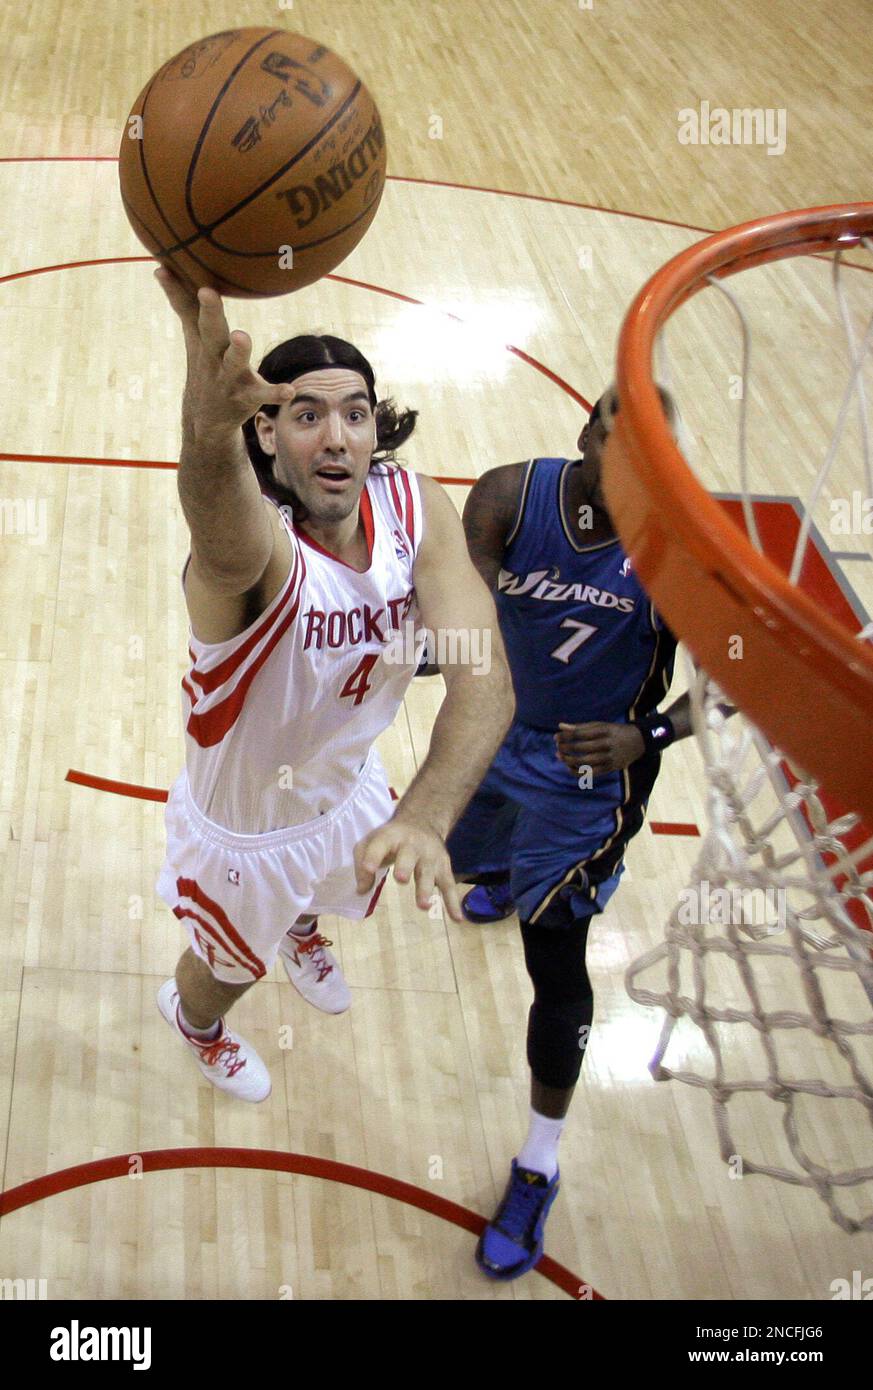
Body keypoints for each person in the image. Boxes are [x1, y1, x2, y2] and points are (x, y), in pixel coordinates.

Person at [152, 267, 514, 1102]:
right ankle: (194, 1020)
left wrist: (423, 815)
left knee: (325, 888)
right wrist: (209, 428)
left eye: (354, 413)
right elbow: (218, 523)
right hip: (247, 828)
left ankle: (301, 928)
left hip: (348, 790)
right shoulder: (258, 557)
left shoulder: (413, 507)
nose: (337, 436)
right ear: (267, 435)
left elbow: (483, 677)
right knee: (222, 970)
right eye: (305, 415)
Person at [437, 386, 696, 1278]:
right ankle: (509, 875)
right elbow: (454, 618)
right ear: (585, 432)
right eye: (614, 436)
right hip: (489, 738)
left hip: (589, 779)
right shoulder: (510, 495)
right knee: (444, 860)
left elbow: (743, 674)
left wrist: (650, 732)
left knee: (554, 962)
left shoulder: (680, 551)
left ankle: (538, 1161)